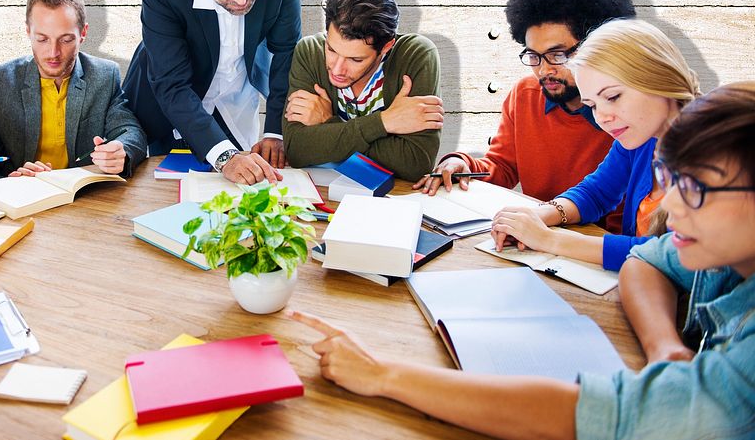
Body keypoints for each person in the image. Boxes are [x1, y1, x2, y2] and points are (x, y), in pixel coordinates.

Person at [290, 81, 755, 440]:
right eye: (670, 181)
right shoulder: (716, 245)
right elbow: (648, 260)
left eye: (696, 189)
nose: (670, 206)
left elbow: (592, 416)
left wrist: (382, 373)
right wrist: (665, 349)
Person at [490, 18, 700, 271]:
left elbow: (676, 255)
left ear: (659, 78)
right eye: (592, 105)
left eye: (612, 97)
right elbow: (597, 192)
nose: (602, 118)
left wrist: (549, 239)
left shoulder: (715, 152)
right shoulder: (642, 135)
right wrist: (540, 214)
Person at [416, 0, 634, 202]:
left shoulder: (629, 109)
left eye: (557, 55)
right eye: (533, 56)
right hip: (536, 222)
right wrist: (463, 164)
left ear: (597, 46)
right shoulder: (525, 94)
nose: (544, 70)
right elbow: (504, 167)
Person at [122, 0, 301, 185]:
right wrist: (225, 157)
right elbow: (171, 84)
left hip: (235, 101)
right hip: (169, 107)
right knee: (164, 192)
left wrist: (275, 132)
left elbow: (285, 52)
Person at [0, 0, 147, 178]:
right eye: (42, 39)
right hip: (20, 193)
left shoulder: (104, 75)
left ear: (83, 33)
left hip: (84, 192)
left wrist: (121, 150)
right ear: (28, 32)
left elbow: (130, 131)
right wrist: (12, 181)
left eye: (66, 40)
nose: (53, 53)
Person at [283, 0, 443, 180]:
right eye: (331, 49)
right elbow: (297, 150)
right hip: (324, 188)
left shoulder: (416, 55)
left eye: (355, 60)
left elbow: (415, 163)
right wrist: (384, 122)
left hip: (393, 194)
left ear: (386, 47)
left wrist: (329, 124)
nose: (337, 69)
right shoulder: (309, 51)